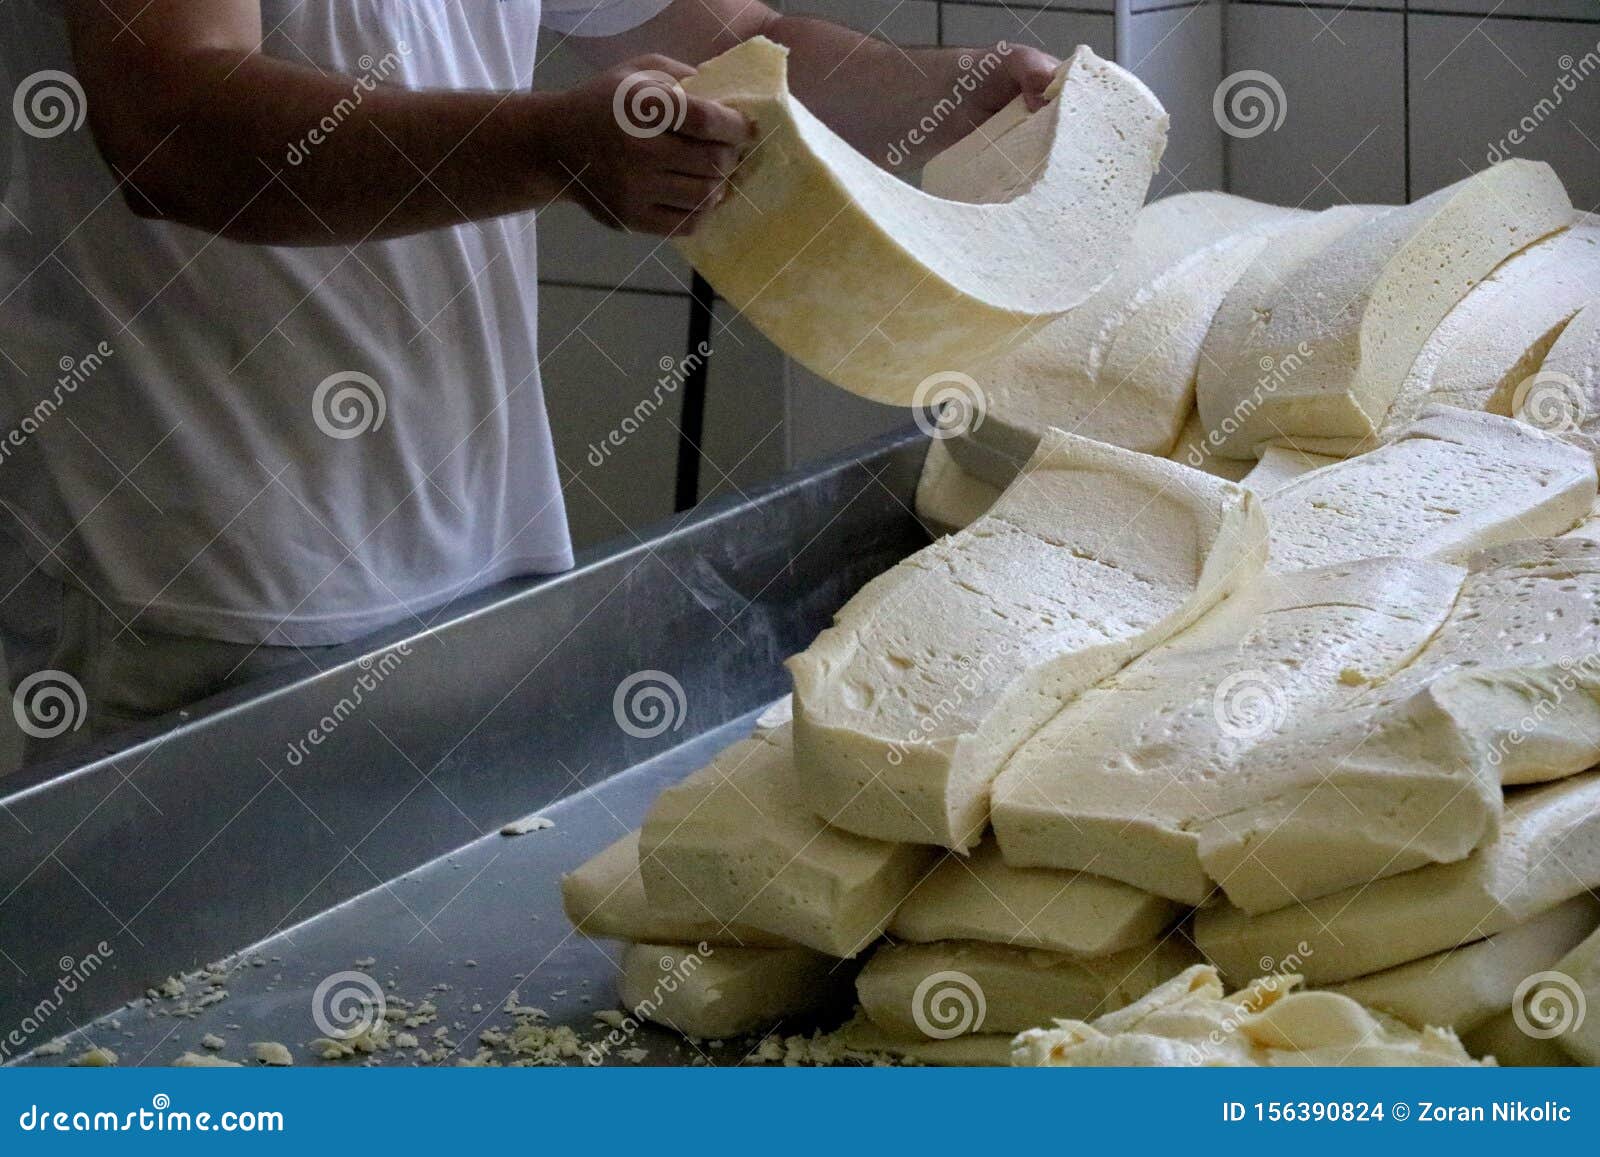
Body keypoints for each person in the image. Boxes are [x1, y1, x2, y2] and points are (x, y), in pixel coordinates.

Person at [0, 0, 1058, 765]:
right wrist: (551, 148)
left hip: (483, 554)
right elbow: (172, 123)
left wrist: (959, 89)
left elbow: (730, 44)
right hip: (200, 571)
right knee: (184, 1045)